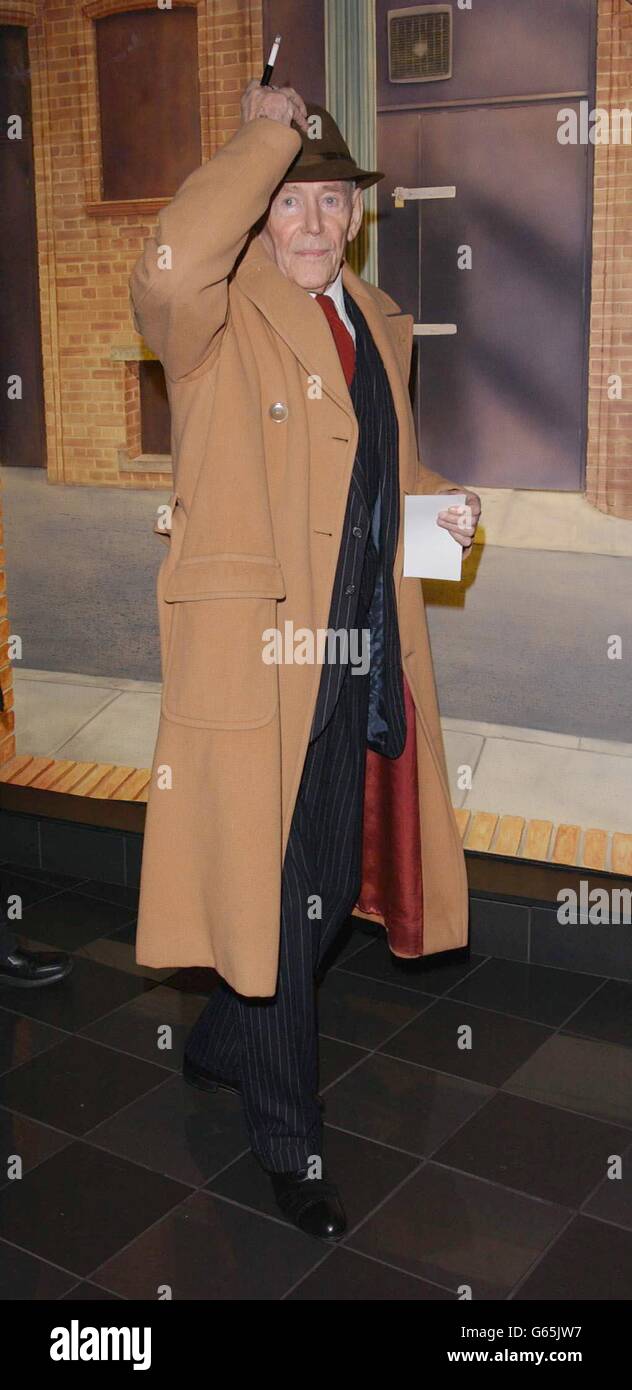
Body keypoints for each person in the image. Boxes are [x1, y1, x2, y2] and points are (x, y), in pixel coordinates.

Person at [129, 79, 481, 1239]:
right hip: (256, 657)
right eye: (289, 200)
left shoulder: (375, 323)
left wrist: (440, 517)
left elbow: (379, 483)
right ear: (259, 209)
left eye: (331, 201)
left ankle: (226, 1036)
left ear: (355, 218)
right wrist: (262, 132)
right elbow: (169, 264)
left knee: (321, 886)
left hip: (358, 656)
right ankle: (290, 1137)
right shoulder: (214, 315)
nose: (314, 222)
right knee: (277, 903)